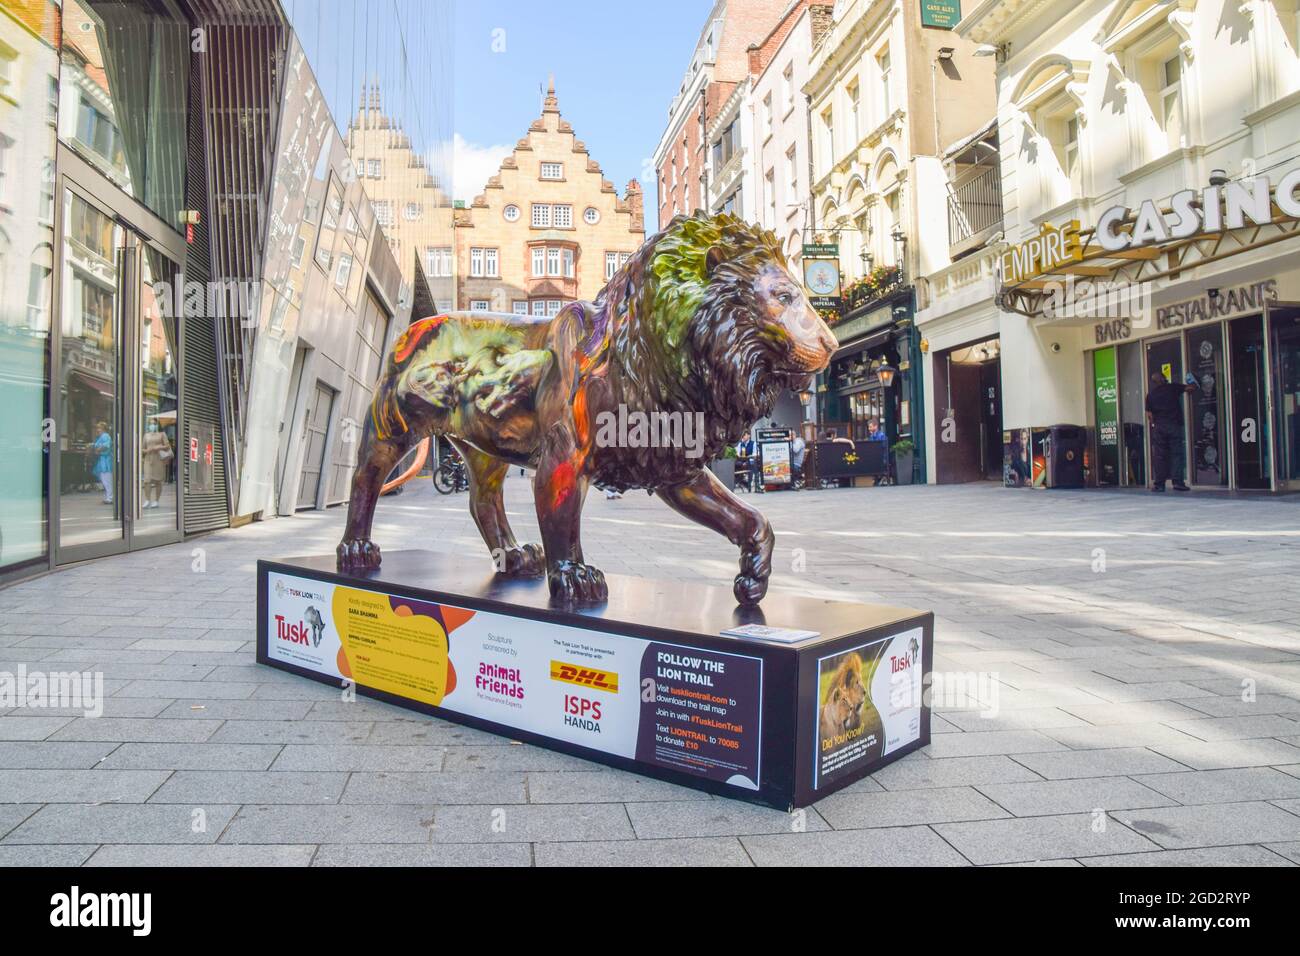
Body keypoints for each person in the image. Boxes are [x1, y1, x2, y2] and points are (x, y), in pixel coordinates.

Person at [1146, 371, 1196, 492]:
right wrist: (1194, 382)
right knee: (1176, 454)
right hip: (1173, 425)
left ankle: (1159, 484)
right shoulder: (1172, 387)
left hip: (1159, 427)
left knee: (1160, 456)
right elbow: (1190, 389)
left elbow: (1149, 415)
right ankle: (1178, 482)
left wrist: (1156, 424)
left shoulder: (1150, 395)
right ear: (1163, 379)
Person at [140, 420, 173, 509]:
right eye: (150, 424)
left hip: (159, 460)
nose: (152, 425)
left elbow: (167, 446)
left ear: (157, 425)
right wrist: (148, 450)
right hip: (148, 460)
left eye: (154, 424)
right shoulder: (146, 435)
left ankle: (156, 501)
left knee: (158, 481)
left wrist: (157, 447)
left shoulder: (162, 434)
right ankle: (147, 500)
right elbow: (142, 449)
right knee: (147, 480)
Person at [90, 421, 113, 504]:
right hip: (102, 459)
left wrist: (98, 450)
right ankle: (109, 496)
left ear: (103, 429)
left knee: (107, 479)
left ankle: (110, 497)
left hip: (106, 460)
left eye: (99, 428)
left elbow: (106, 445)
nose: (97, 429)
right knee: (104, 479)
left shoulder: (105, 436)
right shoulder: (101, 436)